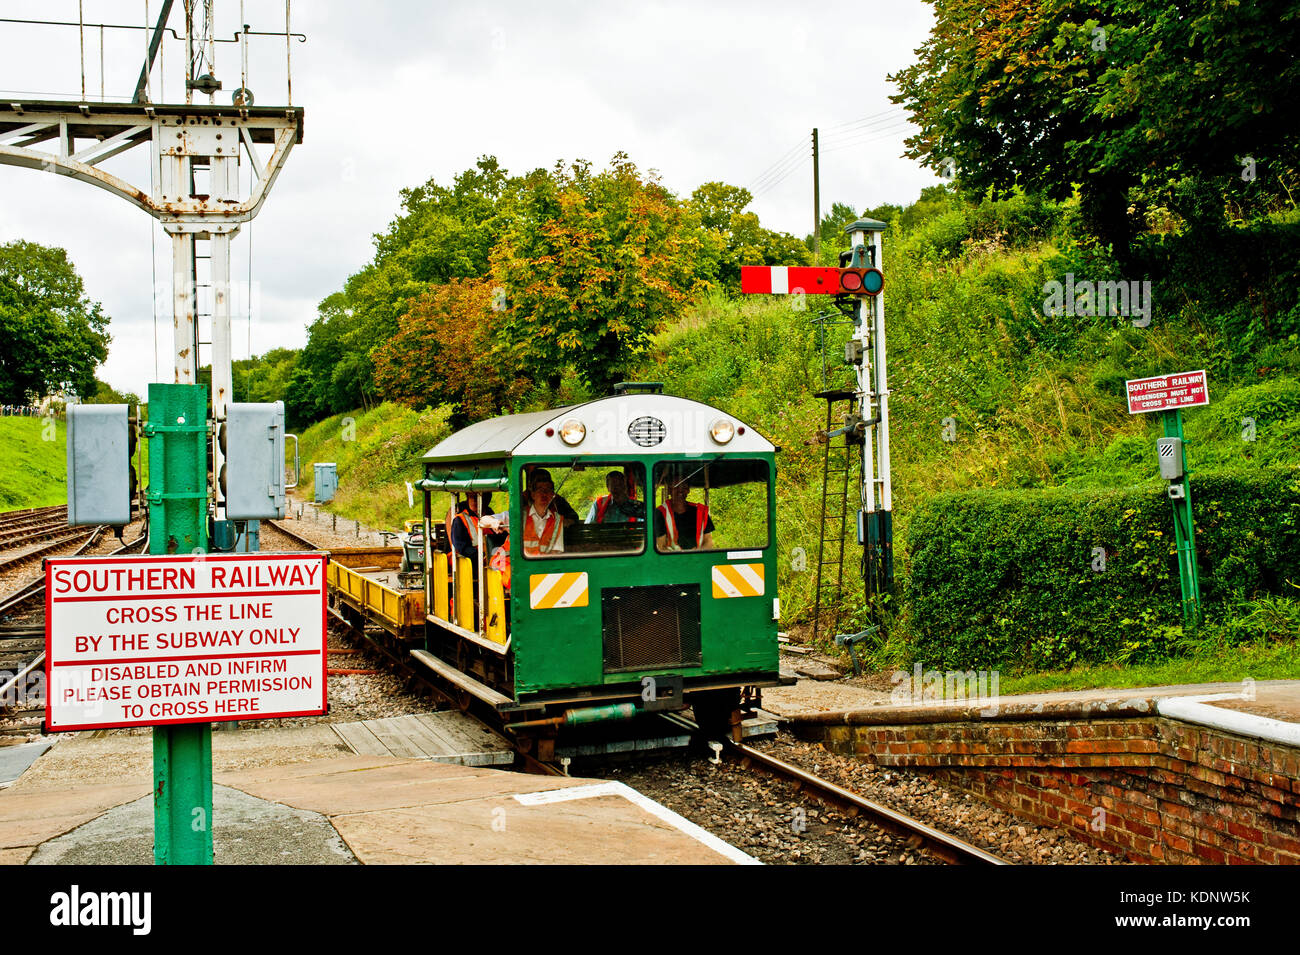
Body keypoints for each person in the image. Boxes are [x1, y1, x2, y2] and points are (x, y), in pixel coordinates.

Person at [655, 477, 715, 551]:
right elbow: (661, 546)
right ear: (669, 491)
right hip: (671, 560)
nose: (680, 491)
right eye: (676, 486)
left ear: (688, 490)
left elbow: (709, 542)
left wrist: (695, 555)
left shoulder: (701, 512)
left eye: (684, 487)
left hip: (697, 559)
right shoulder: (660, 513)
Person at [449, 492, 505, 565]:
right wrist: (482, 556)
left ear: (488, 499)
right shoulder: (459, 520)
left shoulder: (492, 516)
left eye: (477, 496)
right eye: (471, 497)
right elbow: (462, 548)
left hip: (494, 559)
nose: (474, 500)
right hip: (470, 564)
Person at [522, 469, 565, 556]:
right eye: (540, 490)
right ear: (532, 494)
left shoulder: (558, 520)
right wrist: (494, 522)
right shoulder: (519, 514)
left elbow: (555, 553)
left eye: (548, 490)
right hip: (508, 565)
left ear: (553, 495)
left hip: (540, 567)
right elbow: (487, 520)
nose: (544, 494)